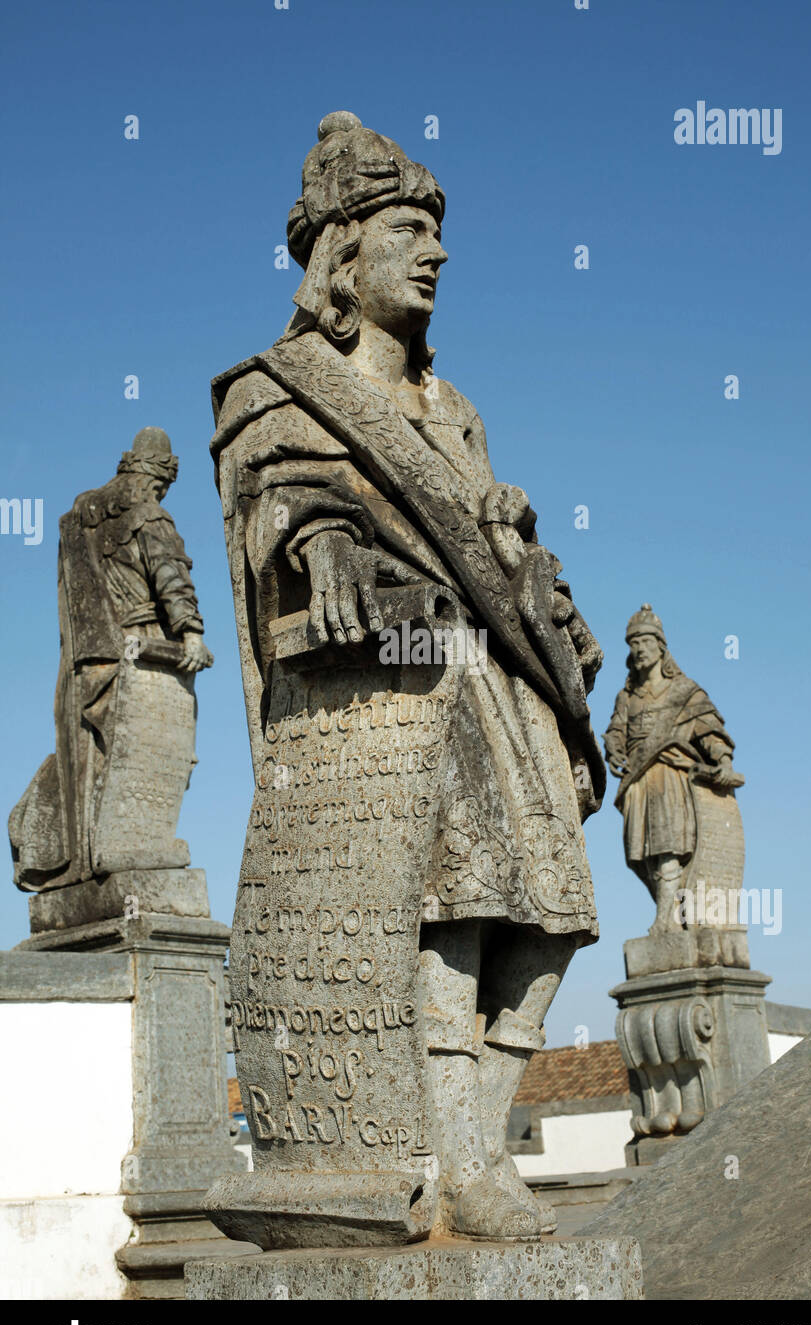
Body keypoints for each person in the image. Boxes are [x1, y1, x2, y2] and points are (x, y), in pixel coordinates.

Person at [211, 113, 605, 1239]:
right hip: (399, 686)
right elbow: (274, 497)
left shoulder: (456, 408)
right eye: (408, 229)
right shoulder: (276, 387)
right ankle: (463, 1166)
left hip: (503, 677)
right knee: (452, 906)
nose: (433, 253)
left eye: (437, 232)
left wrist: (534, 574)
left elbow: (494, 546)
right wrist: (319, 545)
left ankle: (472, 1139)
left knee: (548, 922)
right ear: (343, 251)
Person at [10, 428, 212, 892]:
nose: (161, 495)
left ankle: (81, 863)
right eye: (162, 488)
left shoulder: (79, 517)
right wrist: (192, 633)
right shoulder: (147, 514)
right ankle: (128, 849)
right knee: (157, 752)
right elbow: (169, 574)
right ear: (154, 478)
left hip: (85, 657)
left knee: (89, 760)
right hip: (141, 651)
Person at [604, 604, 739, 932]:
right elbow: (615, 731)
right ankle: (677, 911)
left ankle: (666, 918)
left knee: (668, 849)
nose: (638, 649)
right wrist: (613, 751)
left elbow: (707, 729)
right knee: (641, 857)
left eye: (645, 642)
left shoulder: (683, 691)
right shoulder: (627, 696)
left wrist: (722, 760)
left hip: (669, 776)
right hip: (637, 783)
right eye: (633, 644)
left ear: (661, 646)